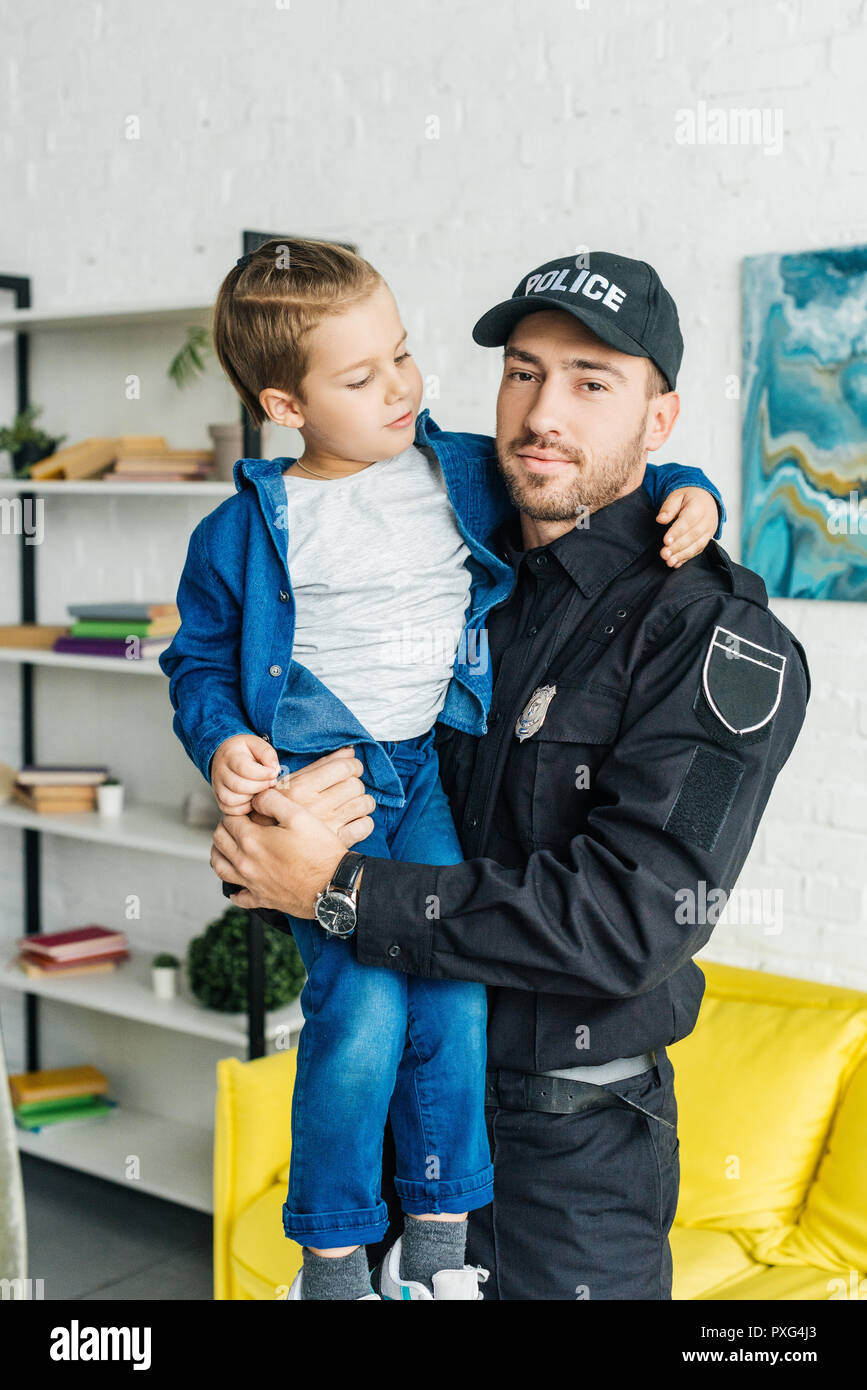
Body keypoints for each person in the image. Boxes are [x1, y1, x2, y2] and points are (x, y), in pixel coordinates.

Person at [162, 239, 726, 1300]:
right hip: (335, 812)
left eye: (403, 356)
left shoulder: (478, 490)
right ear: (285, 405)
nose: (401, 388)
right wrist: (236, 771)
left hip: (567, 1144)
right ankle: (336, 1252)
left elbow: (631, 917)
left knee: (443, 1002)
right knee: (365, 1015)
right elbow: (204, 666)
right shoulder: (290, 531)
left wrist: (695, 491)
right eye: (522, 372)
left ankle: (431, 1231)